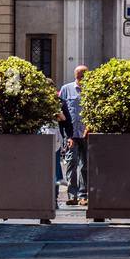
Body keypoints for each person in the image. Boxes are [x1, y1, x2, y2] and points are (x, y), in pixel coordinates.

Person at [58, 64, 89, 207]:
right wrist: (66, 135)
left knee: (85, 165)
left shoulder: (91, 90)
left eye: (83, 75)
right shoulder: (66, 89)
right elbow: (61, 113)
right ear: (75, 75)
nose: (81, 78)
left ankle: (83, 195)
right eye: (79, 75)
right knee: (71, 163)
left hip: (86, 134)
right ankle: (72, 195)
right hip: (71, 134)